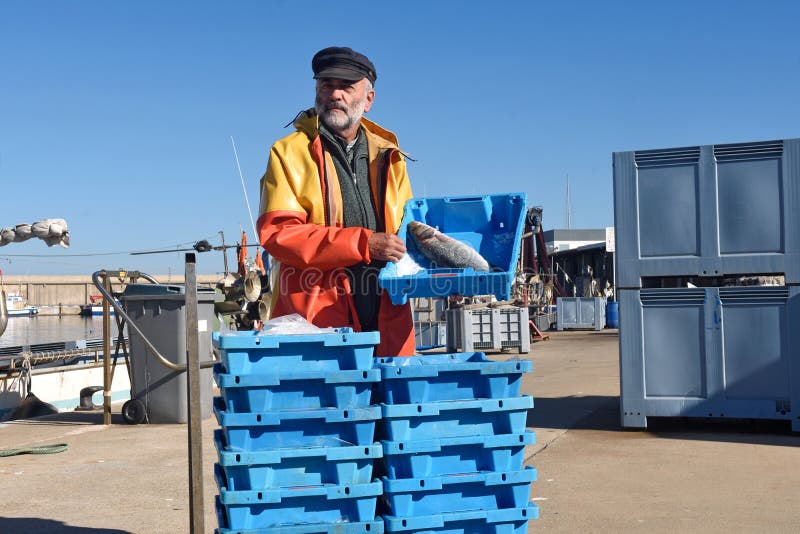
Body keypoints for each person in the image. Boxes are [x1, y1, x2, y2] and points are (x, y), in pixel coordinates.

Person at [257, 46, 415, 356]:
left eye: (346, 86)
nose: (335, 94)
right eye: (326, 85)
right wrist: (362, 244)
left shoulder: (392, 157)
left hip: (390, 326)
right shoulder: (287, 153)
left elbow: (409, 234)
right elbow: (279, 235)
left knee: (391, 402)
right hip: (317, 326)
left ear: (368, 99)